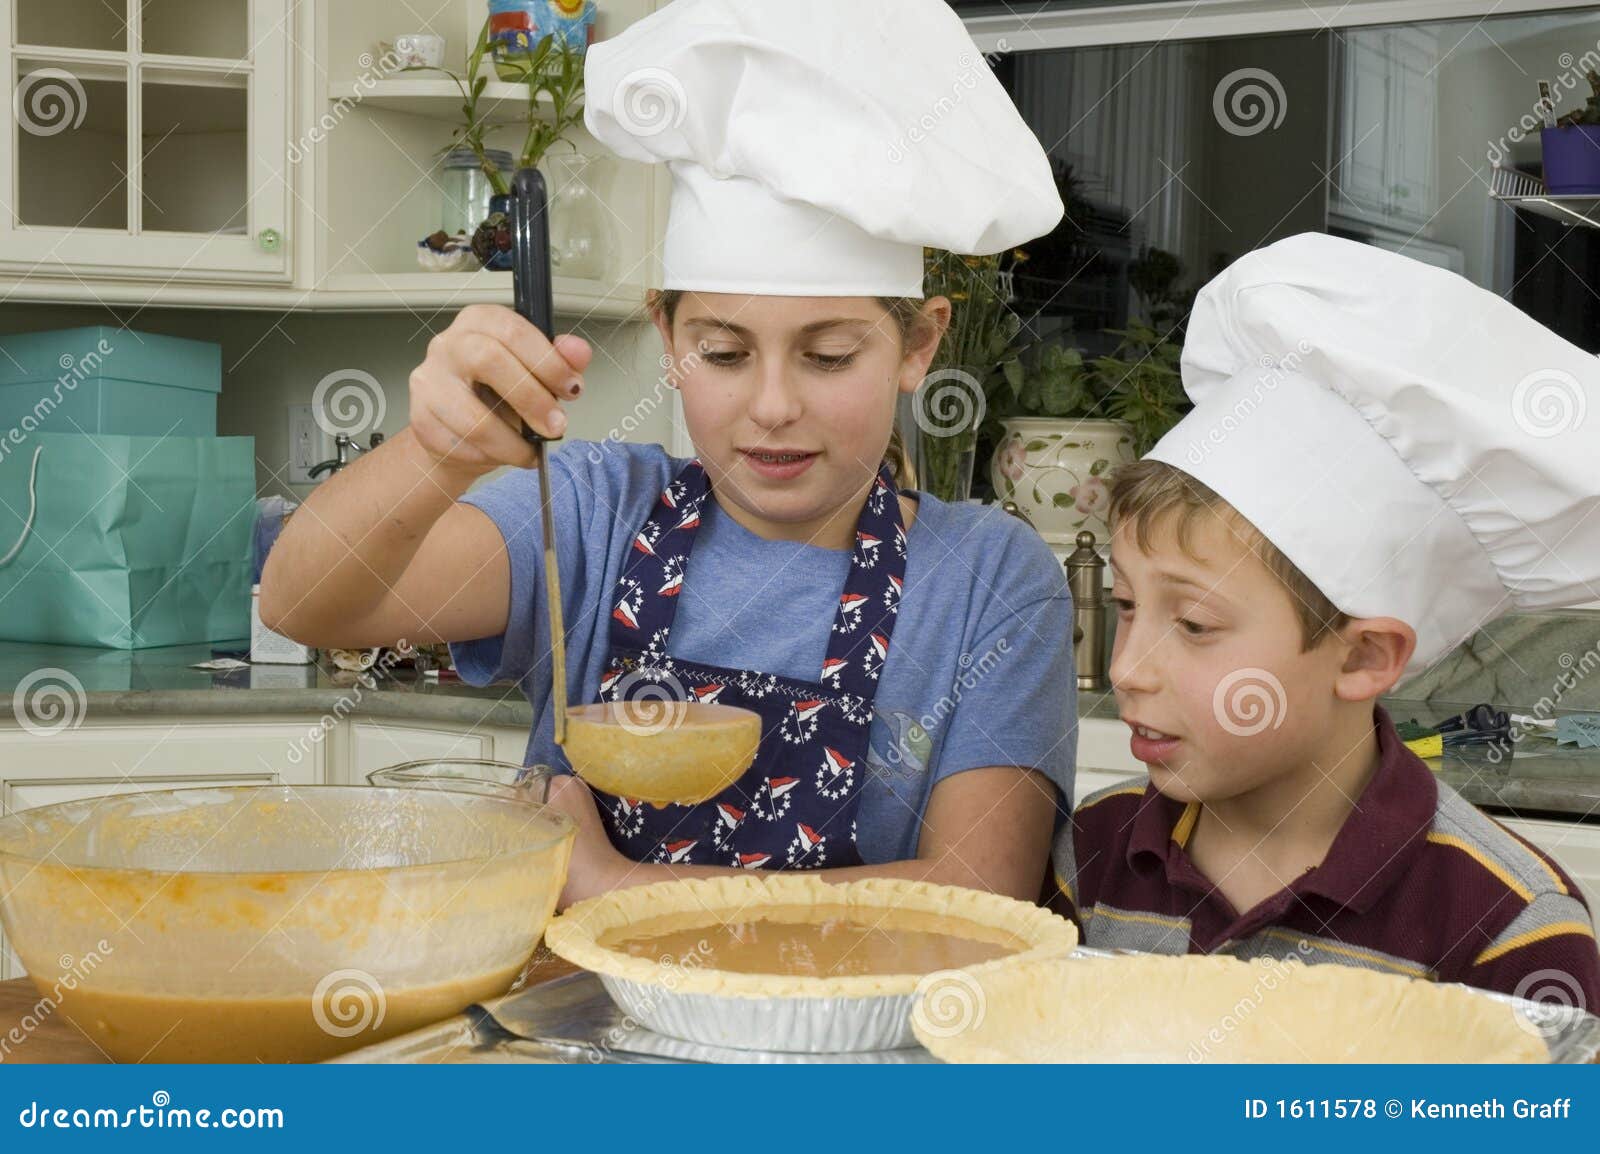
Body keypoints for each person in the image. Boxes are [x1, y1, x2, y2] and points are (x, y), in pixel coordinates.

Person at [262, 0, 1076, 908]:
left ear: (919, 347)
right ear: (667, 334)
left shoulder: (987, 581)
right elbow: (304, 604)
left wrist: (613, 886)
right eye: (724, 353)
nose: (773, 407)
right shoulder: (593, 514)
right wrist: (438, 453)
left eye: (830, 356)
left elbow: (980, 900)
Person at [1052, 232, 1600, 1007]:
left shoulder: (1507, 927)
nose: (1126, 669)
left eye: (1197, 625)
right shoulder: (1093, 852)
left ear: (1363, 657)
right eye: (1128, 607)